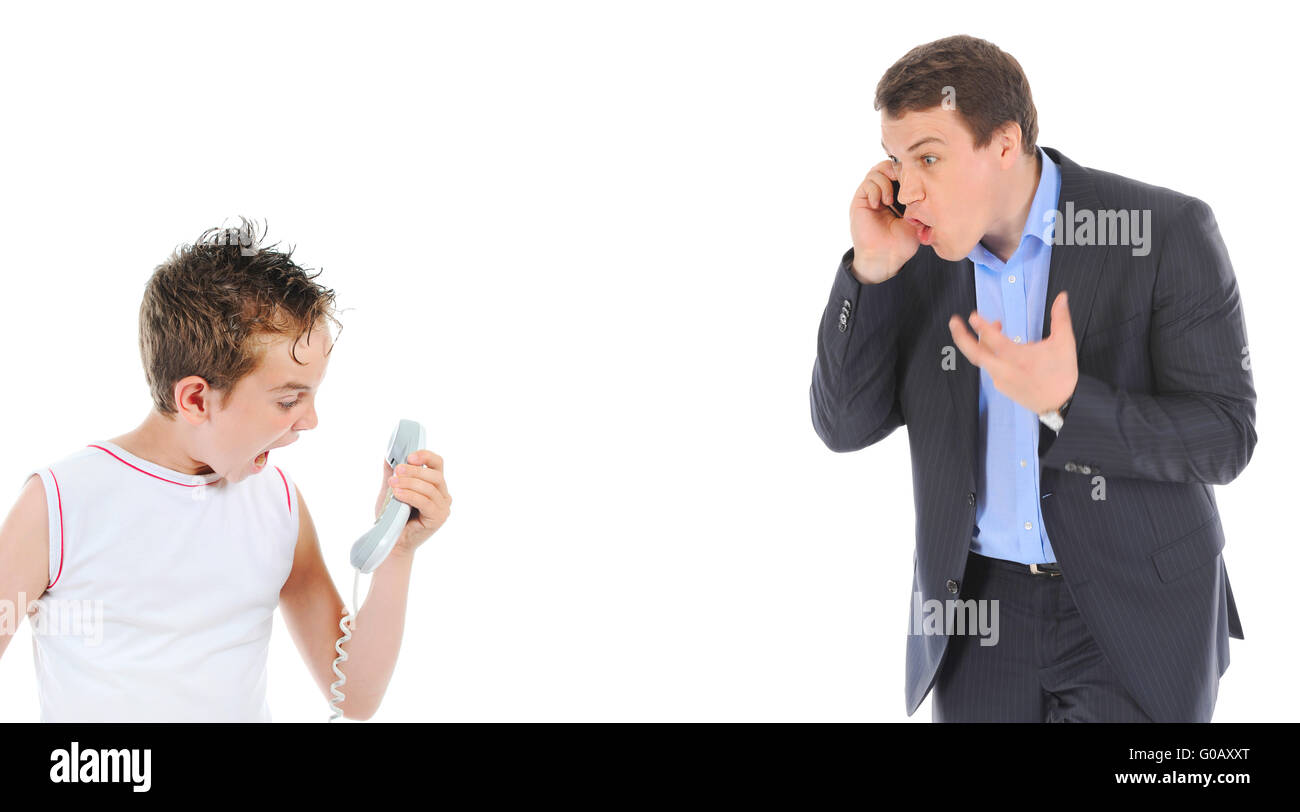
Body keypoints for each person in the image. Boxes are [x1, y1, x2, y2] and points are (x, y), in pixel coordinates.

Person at [809, 35, 1255, 722]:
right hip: (979, 614)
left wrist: (1072, 405)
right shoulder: (911, 257)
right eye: (897, 161)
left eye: (929, 156)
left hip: (1132, 610)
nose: (907, 186)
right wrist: (870, 270)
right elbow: (843, 426)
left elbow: (1225, 436)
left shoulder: (1163, 232)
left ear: (1005, 144)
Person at [0, 219, 452, 721]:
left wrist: (397, 550)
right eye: (288, 400)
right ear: (196, 398)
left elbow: (355, 697)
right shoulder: (60, 502)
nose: (311, 420)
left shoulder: (278, 504)